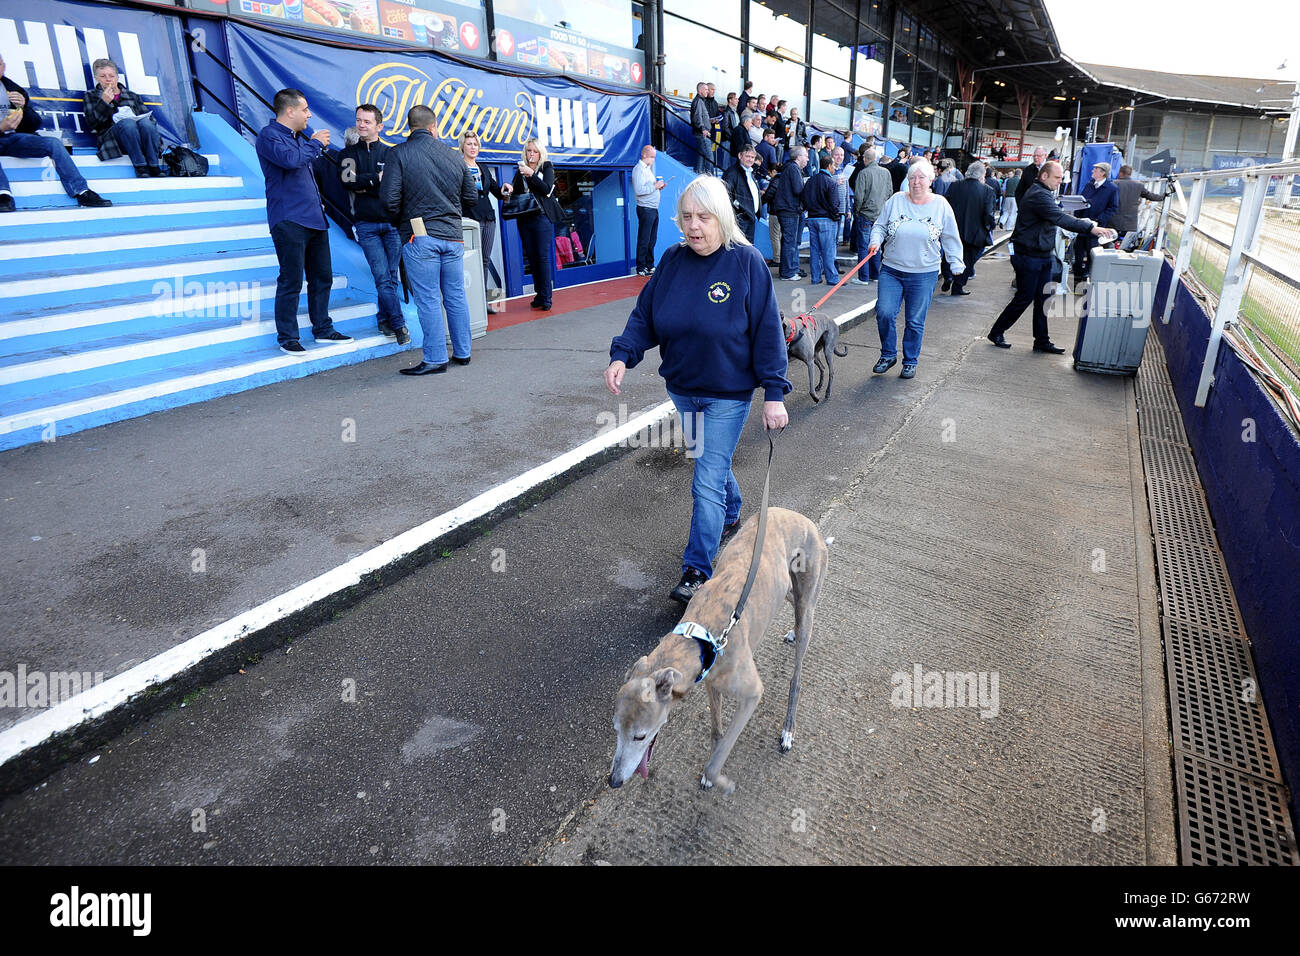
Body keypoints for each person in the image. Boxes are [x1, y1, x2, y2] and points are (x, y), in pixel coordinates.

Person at [604, 175, 790, 603]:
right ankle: (731, 512)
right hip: (683, 388)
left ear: (722, 218)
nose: (694, 227)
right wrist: (622, 355)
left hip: (728, 392)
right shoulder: (672, 260)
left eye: (704, 217)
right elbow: (645, 315)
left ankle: (696, 569)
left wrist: (775, 394)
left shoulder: (746, 262)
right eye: (687, 217)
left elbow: (767, 332)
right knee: (712, 461)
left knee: (704, 477)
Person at [380, 104, 477, 375]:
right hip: (453, 235)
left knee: (429, 299)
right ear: (434, 127)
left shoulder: (398, 153)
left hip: (419, 233)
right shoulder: (454, 156)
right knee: (456, 296)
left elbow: (389, 199)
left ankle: (435, 358)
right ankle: (463, 352)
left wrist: (402, 221)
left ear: (409, 127)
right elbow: (471, 198)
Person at [256, 88, 351, 356]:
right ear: (290, 111)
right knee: (291, 280)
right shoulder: (269, 135)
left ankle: (322, 328)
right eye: (305, 109)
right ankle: (287, 337)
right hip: (289, 219)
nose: (309, 114)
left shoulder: (299, 138)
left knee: (322, 277)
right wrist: (316, 144)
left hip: (314, 219)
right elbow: (290, 161)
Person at [987, 160, 1117, 354]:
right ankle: (997, 331)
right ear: (1044, 176)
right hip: (1029, 255)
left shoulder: (1044, 193)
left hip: (1041, 254)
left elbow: (1057, 217)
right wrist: (1092, 228)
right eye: (1057, 178)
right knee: (1025, 297)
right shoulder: (1039, 195)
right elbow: (1061, 218)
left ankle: (1041, 340)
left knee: (1043, 298)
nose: (1060, 181)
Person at [865, 158, 965, 379]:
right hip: (891, 269)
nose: (916, 182)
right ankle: (888, 354)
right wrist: (875, 240)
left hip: (924, 273)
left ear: (930, 180)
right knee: (884, 312)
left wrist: (956, 262)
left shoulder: (940, 204)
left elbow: (950, 236)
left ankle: (910, 360)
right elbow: (880, 226)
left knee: (914, 320)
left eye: (921, 177)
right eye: (912, 178)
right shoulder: (896, 200)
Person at [0, 54, 109, 211]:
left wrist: (23, 107)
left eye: (1, 63)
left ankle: (82, 191)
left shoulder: (9, 87)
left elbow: (34, 123)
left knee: (53, 143)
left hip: (11, 139)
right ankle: (3, 195)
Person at [340, 104, 409, 344]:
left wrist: (365, 184)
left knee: (391, 276)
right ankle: (399, 325)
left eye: (366, 122)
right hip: (367, 226)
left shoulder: (392, 153)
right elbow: (348, 183)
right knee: (382, 277)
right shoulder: (348, 154)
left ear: (379, 126)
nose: (361, 125)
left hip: (392, 225)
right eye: (358, 120)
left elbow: (397, 186)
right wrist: (375, 180)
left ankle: (383, 318)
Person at [458, 128, 512, 313]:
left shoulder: (482, 168)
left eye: (475, 144)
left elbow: (497, 192)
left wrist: (505, 189)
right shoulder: (458, 167)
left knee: (485, 260)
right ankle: (471, 303)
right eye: (469, 144)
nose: (473, 147)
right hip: (469, 219)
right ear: (462, 146)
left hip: (488, 217)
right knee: (469, 262)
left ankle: (484, 301)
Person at [83, 59, 164, 177]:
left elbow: (150, 120)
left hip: (138, 137)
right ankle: (140, 166)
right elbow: (93, 124)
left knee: (146, 123)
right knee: (127, 123)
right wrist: (104, 103)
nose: (108, 79)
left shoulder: (131, 95)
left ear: (117, 77)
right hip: (113, 140)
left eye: (111, 75)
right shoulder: (91, 95)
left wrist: (140, 120)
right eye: (103, 76)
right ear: (96, 78)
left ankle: (154, 165)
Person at [510, 137, 563, 311]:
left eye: (534, 151)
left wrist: (531, 174)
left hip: (542, 218)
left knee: (542, 257)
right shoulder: (520, 170)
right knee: (532, 258)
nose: (531, 154)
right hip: (525, 218)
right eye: (529, 151)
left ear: (540, 153)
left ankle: (547, 297)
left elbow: (547, 189)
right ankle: (539, 295)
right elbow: (516, 192)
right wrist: (508, 189)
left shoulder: (546, 167)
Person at [942, 161, 996, 296]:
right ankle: (958, 286)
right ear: (982, 175)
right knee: (968, 260)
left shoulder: (955, 185)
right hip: (975, 232)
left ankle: (948, 276)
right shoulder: (987, 191)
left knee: (950, 253)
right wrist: (990, 226)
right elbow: (988, 214)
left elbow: (946, 206)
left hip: (954, 228)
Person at [1073, 161, 1119, 282]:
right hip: (1083, 224)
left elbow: (1113, 208)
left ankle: (1088, 274)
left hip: (1096, 227)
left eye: (1096, 169)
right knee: (1078, 249)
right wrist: (1078, 215)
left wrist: (1099, 219)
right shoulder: (1089, 185)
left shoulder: (1112, 188)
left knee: (1091, 251)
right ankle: (1077, 273)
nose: (1093, 171)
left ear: (1103, 173)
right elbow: (1081, 200)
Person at [851, 146, 891, 284]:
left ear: (866, 159)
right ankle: (875, 275)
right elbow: (889, 192)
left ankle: (863, 277)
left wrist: (857, 211)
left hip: (865, 214)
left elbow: (859, 196)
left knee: (863, 246)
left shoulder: (863, 173)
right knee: (876, 245)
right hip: (880, 215)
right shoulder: (886, 173)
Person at [770, 147, 809, 280]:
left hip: (788, 209)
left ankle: (790, 269)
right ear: (798, 157)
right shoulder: (793, 168)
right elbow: (798, 189)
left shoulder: (791, 168)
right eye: (806, 156)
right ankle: (787, 273)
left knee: (789, 241)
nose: (808, 159)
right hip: (789, 210)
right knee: (789, 242)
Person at [801, 153, 840, 286]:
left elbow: (804, 199)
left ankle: (816, 278)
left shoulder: (811, 180)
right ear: (829, 166)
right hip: (826, 219)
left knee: (814, 250)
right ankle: (832, 278)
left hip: (812, 218)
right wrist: (835, 218)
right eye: (834, 165)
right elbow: (834, 204)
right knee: (828, 250)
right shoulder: (831, 182)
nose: (835, 168)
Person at [632, 144, 665, 275]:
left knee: (652, 239)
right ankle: (641, 266)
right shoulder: (638, 169)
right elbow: (639, 190)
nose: (653, 160)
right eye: (651, 157)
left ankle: (649, 264)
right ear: (644, 155)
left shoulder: (647, 169)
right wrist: (655, 187)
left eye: (654, 157)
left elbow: (649, 187)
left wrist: (658, 186)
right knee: (644, 239)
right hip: (645, 208)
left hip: (652, 208)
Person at [1111, 164, 1165, 241]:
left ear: (1120, 173)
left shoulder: (1114, 183)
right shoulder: (1139, 185)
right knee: (1124, 243)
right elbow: (1151, 196)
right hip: (1130, 223)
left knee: (1110, 242)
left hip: (1113, 221)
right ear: (1130, 174)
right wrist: (1163, 196)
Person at [722, 143, 761, 243]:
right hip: (739, 220)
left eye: (752, 157)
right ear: (740, 156)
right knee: (738, 250)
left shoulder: (750, 172)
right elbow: (725, 195)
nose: (750, 159)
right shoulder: (731, 173)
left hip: (750, 218)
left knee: (747, 250)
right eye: (747, 156)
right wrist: (739, 210)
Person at [691, 82, 713, 174]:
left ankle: (698, 174)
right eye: (706, 89)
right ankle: (710, 177)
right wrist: (703, 128)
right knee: (709, 157)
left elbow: (700, 117)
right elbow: (697, 117)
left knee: (701, 157)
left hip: (701, 133)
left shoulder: (700, 101)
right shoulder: (698, 101)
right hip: (702, 134)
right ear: (700, 90)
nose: (707, 91)